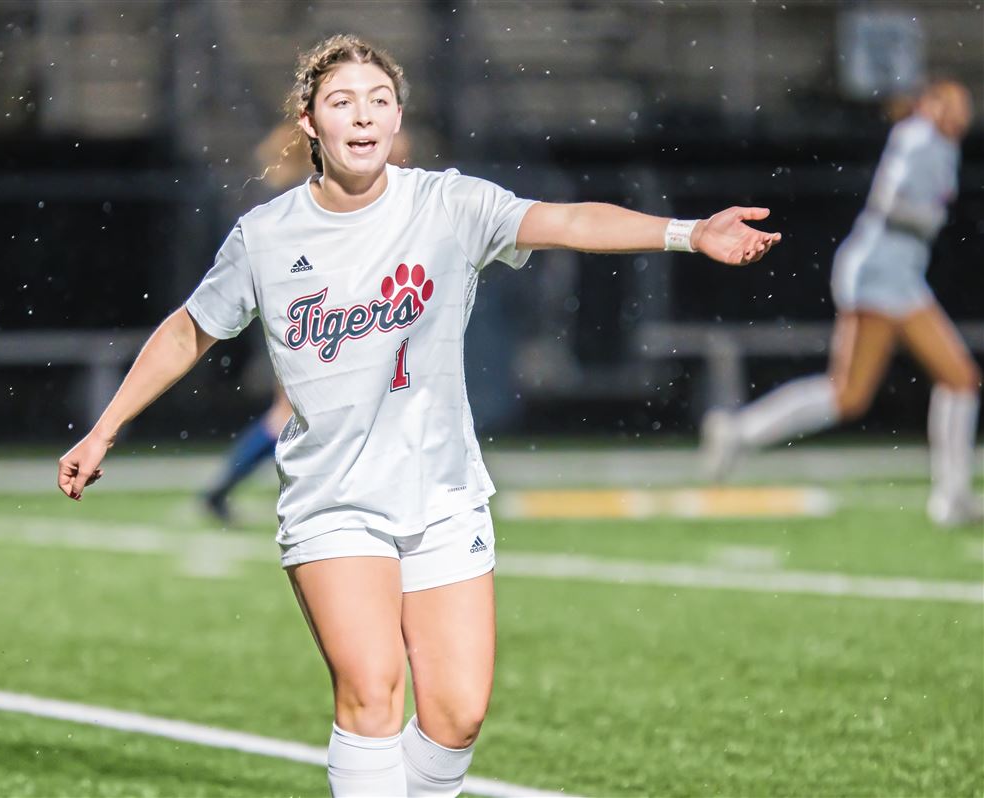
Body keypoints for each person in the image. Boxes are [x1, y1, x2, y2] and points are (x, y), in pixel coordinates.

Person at [57, 34, 780, 797]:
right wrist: (105, 428)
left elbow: (566, 222)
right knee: (372, 693)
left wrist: (687, 233)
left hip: (441, 494)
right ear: (309, 122)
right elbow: (188, 329)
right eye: (341, 102)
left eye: (378, 101)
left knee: (457, 715)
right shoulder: (266, 236)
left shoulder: (448, 205)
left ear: (397, 116)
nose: (362, 117)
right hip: (333, 501)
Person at [700, 80, 980, 527]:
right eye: (952, 103)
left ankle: (952, 498)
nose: (961, 113)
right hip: (881, 270)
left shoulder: (940, 144)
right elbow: (892, 202)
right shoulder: (918, 136)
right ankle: (738, 432)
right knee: (853, 393)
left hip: (899, 273)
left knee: (955, 379)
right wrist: (926, 214)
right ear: (931, 104)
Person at [204, 121, 411, 523]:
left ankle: (229, 488)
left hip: (324, 315)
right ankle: (228, 488)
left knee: (300, 410)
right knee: (288, 412)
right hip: (314, 318)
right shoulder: (310, 202)